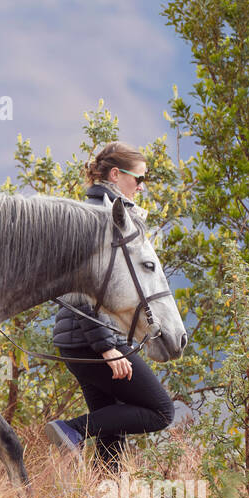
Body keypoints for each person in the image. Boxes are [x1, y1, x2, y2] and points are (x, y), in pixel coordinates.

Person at [45, 141, 175, 469]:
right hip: (92, 343)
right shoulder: (99, 217)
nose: (142, 186)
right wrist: (108, 348)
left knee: (112, 431)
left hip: (82, 343)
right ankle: (71, 430)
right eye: (139, 178)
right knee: (160, 411)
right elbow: (81, 291)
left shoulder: (109, 211)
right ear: (116, 175)